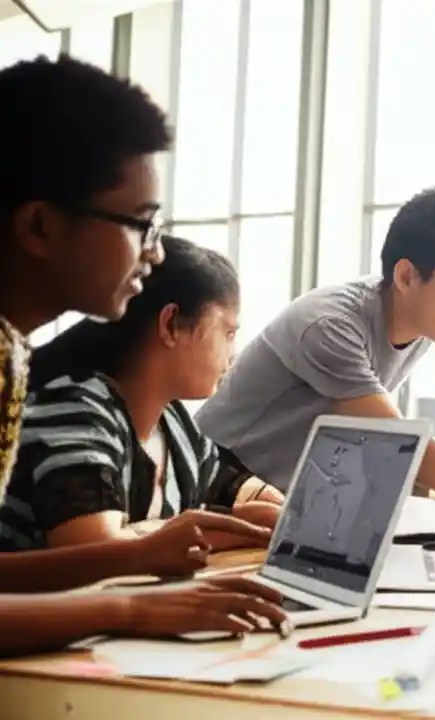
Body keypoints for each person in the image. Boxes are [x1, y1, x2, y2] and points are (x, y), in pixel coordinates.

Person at [0, 54, 286, 654]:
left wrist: (143, 563)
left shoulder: (11, 355)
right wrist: (129, 604)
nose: (153, 255)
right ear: (39, 229)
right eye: (140, 224)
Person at [195, 187, 435, 520]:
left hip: (279, 500)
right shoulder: (328, 326)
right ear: (406, 276)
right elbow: (408, 451)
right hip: (211, 487)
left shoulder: (422, 323)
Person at [1, 236, 284, 552]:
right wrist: (238, 529)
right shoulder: (73, 408)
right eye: (228, 333)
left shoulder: (172, 421)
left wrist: (277, 507)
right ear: (171, 324)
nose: (233, 353)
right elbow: (94, 548)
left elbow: (224, 482)